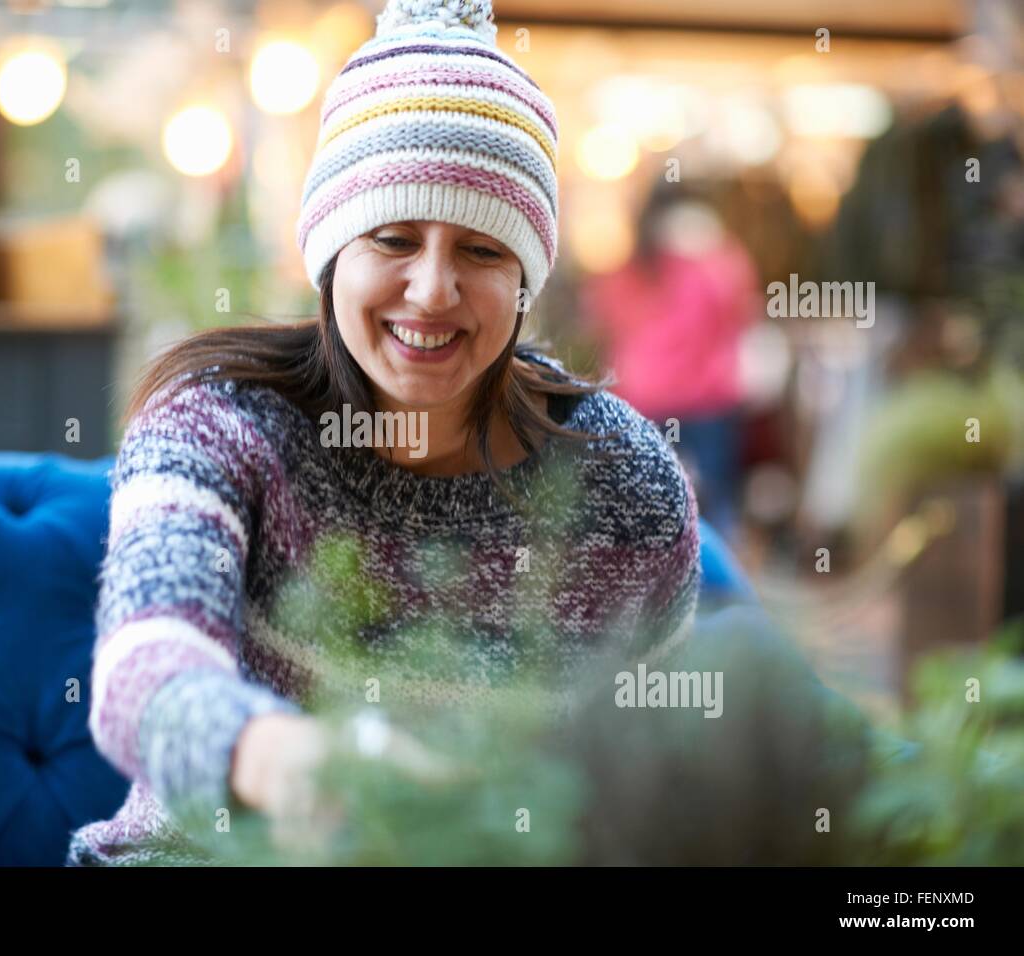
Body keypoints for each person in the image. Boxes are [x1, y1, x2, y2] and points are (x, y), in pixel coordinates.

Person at [66, 0, 700, 866]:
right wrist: (286, 763)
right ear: (332, 256)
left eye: (482, 251)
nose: (433, 289)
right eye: (395, 238)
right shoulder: (219, 425)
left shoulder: (621, 483)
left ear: (526, 279)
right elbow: (144, 676)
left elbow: (654, 765)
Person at [583, 185, 758, 542]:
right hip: (708, 400)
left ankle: (660, 590)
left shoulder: (632, 266)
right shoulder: (716, 260)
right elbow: (741, 311)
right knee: (716, 502)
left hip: (645, 399)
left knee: (646, 506)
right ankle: (720, 588)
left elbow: (600, 319)